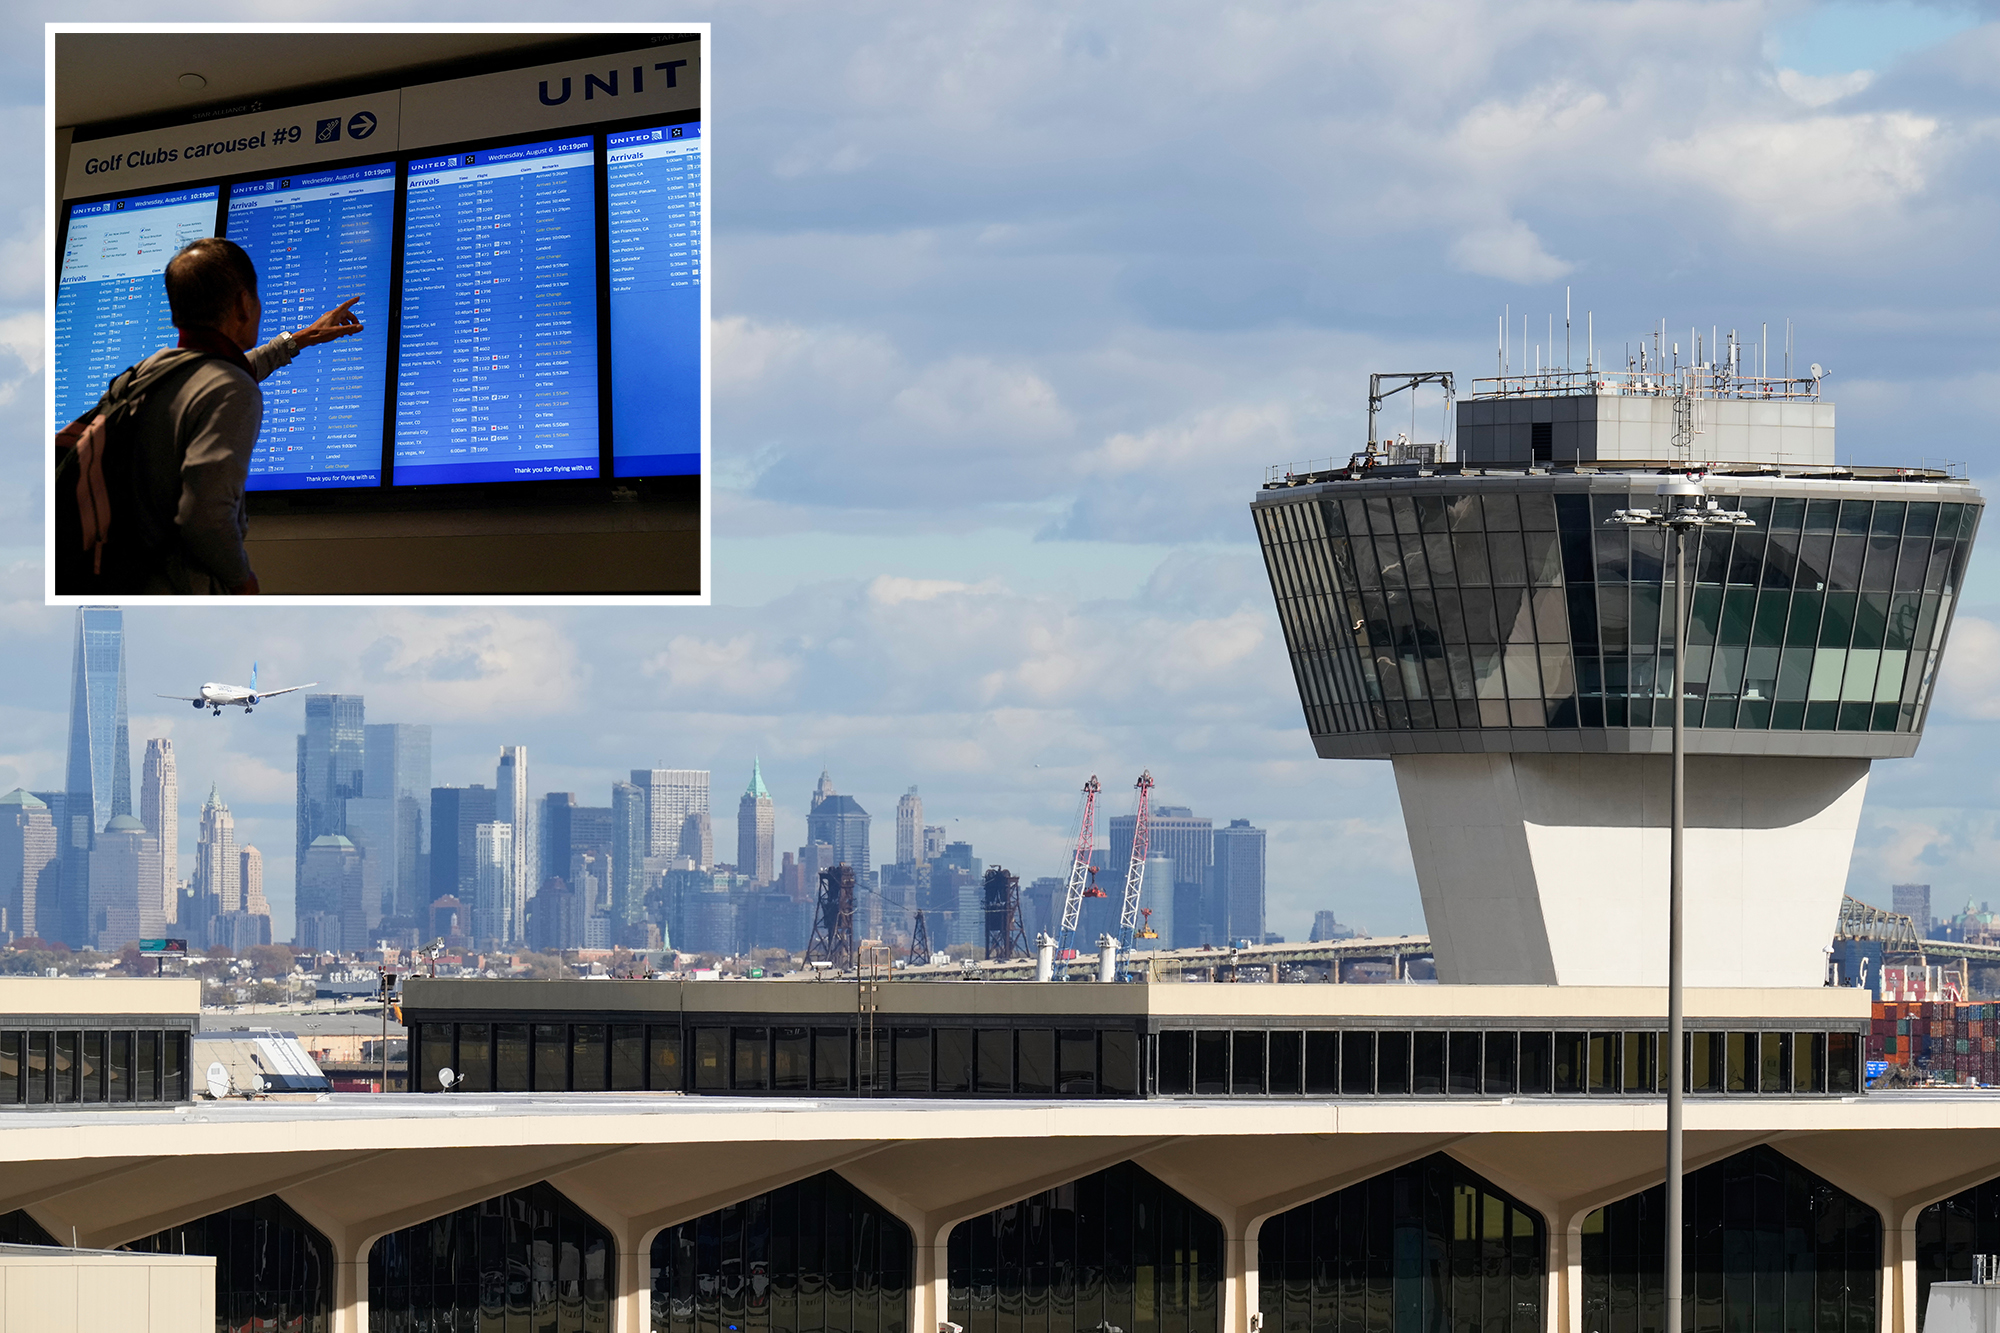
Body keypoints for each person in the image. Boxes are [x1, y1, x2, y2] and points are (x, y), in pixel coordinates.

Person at [128, 237, 364, 594]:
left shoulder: (149, 372)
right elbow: (205, 515)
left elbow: (218, 368)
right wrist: (242, 582)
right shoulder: (232, 389)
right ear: (243, 303)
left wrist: (304, 337)